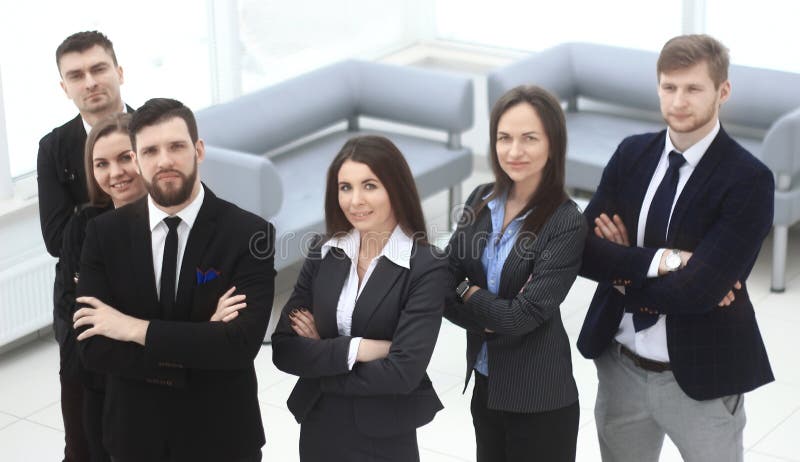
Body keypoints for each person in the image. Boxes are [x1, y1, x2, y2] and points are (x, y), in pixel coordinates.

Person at [577, 34, 774, 462]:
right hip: (620, 366)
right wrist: (663, 262)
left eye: (693, 88)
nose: (679, 100)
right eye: (669, 87)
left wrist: (622, 272)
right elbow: (583, 251)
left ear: (722, 91)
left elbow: (698, 292)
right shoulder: (632, 154)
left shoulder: (749, 180)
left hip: (703, 376)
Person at [72, 98, 275, 462]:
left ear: (198, 150)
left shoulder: (249, 234)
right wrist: (202, 337)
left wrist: (133, 328)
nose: (164, 160)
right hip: (135, 437)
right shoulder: (103, 234)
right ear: (136, 159)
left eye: (176, 146)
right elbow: (94, 347)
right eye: (150, 150)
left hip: (222, 437)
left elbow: (239, 346)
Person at [272, 135, 448, 462]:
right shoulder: (324, 252)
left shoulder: (425, 265)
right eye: (345, 187)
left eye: (369, 185)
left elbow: (403, 372)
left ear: (395, 188)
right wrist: (360, 349)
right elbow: (283, 349)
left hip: (384, 434)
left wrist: (322, 353)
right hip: (319, 425)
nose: (355, 200)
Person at [444, 85, 585, 462]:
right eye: (503, 138)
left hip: (539, 398)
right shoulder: (481, 198)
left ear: (552, 144)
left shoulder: (566, 221)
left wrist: (469, 293)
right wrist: (486, 308)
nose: (514, 151)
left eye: (529, 139)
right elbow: (441, 280)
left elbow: (522, 317)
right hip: (486, 384)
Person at [36, 30, 132, 462]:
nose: (89, 81)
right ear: (64, 87)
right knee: (84, 438)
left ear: (119, 72)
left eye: (98, 69)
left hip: (152, 297)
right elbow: (57, 238)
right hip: (81, 303)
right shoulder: (53, 148)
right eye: (76, 75)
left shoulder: (158, 124)